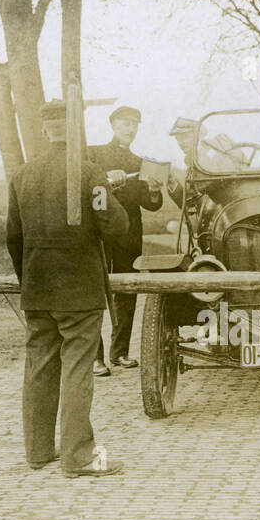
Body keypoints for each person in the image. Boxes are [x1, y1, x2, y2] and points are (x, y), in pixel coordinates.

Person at [7, 99, 129, 477]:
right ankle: (78, 456)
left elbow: (13, 236)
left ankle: (39, 450)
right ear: (74, 129)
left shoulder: (23, 174)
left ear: (46, 130)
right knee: (78, 368)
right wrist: (111, 190)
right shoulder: (89, 173)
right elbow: (117, 226)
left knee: (39, 366)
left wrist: (28, 277)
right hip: (79, 285)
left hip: (38, 285)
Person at [90, 105, 164, 375]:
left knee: (127, 293)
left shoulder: (140, 163)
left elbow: (150, 204)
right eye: (124, 124)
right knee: (95, 293)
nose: (130, 129)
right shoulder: (94, 154)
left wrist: (154, 191)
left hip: (129, 236)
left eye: (134, 124)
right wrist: (109, 180)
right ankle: (94, 357)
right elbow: (90, 189)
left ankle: (119, 353)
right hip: (97, 236)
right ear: (112, 125)